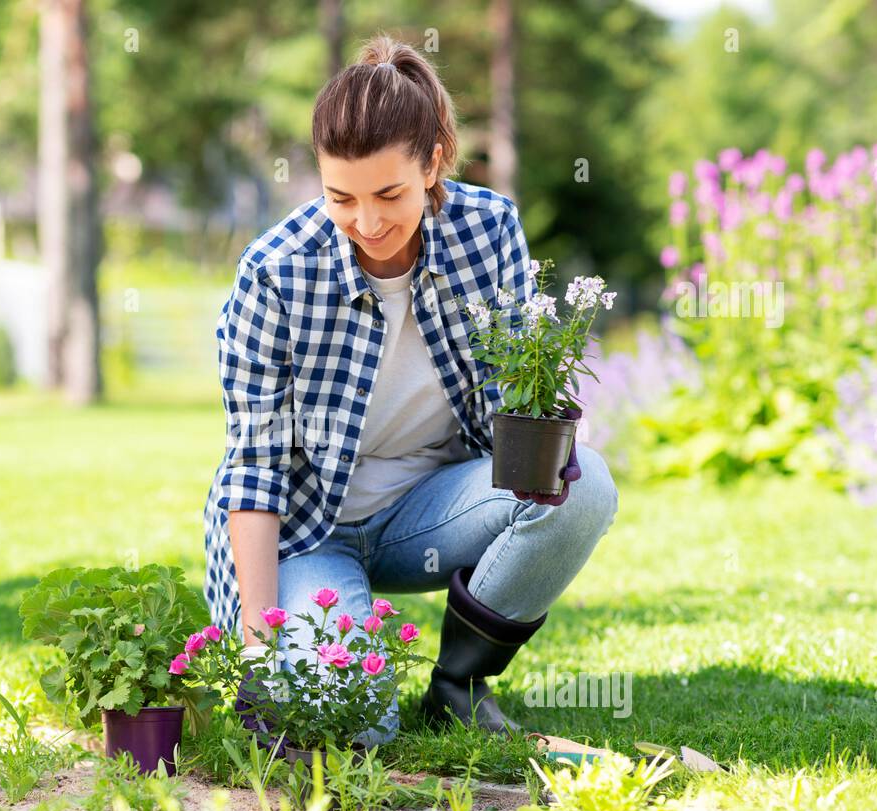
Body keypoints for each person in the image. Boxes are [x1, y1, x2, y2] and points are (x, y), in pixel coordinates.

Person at [200, 33, 619, 748]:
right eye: (341, 197)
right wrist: (257, 653)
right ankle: (336, 666)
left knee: (580, 486)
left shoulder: (487, 231)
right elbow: (254, 468)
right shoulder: (275, 271)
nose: (367, 223)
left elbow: (521, 389)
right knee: (354, 727)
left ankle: (458, 685)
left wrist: (546, 423)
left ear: (431, 164)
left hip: (429, 512)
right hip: (310, 534)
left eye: (390, 194)